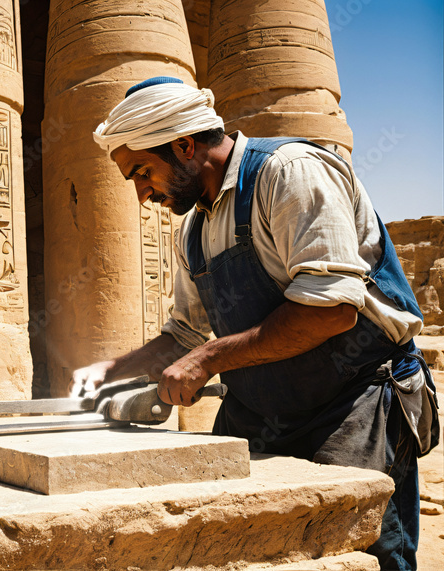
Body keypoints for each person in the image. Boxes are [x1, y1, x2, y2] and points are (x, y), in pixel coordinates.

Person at [75, 76, 438, 570]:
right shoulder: (194, 230)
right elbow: (183, 336)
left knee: (360, 548)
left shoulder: (289, 173)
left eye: (143, 172)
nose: (142, 194)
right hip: (260, 411)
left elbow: (330, 309)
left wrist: (208, 358)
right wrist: (110, 371)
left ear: (184, 146)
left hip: (353, 401)